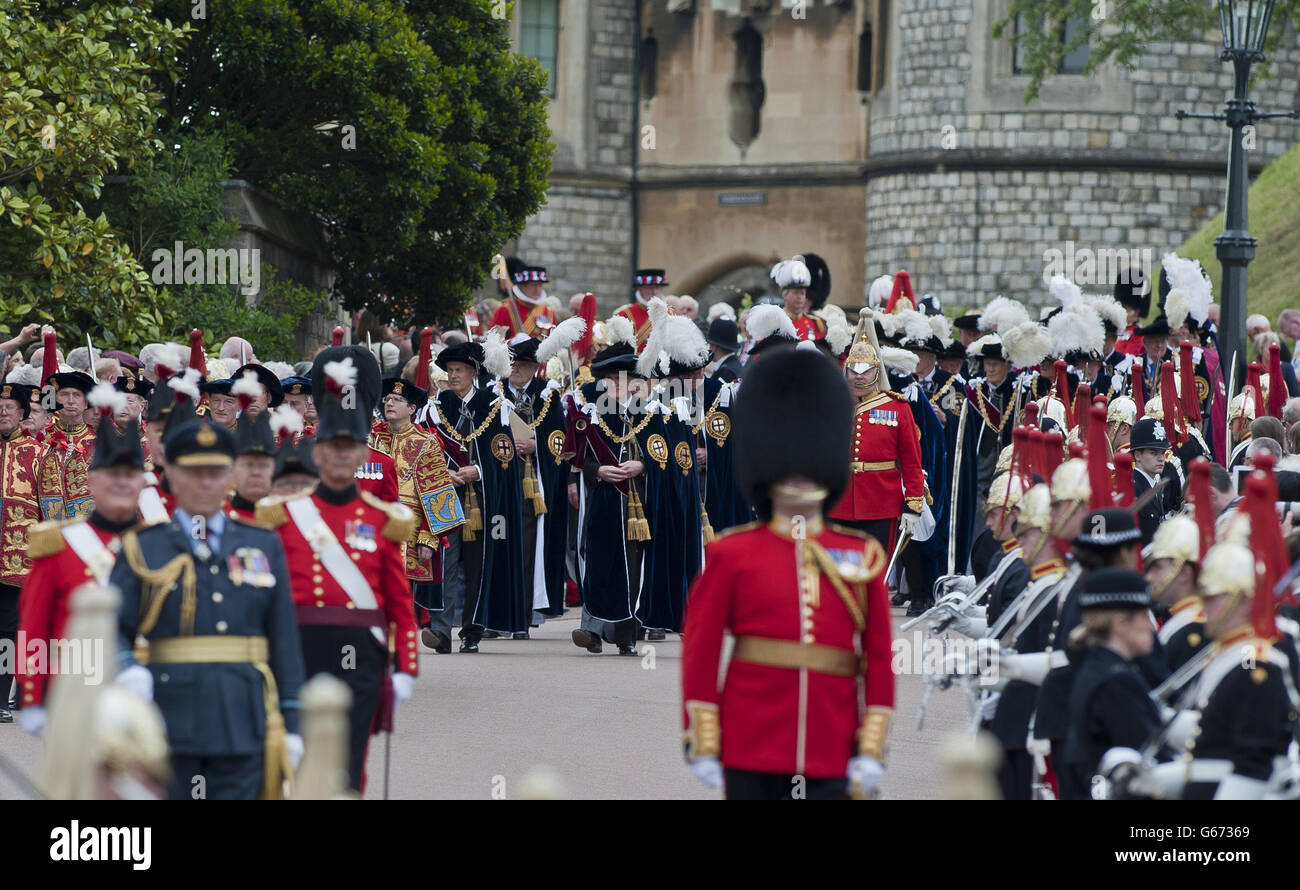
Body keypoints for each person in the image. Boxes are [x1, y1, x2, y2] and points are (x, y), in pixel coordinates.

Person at [681, 347, 894, 800]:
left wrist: (871, 745)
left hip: (832, 747)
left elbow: (877, 660)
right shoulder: (732, 555)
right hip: (749, 748)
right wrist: (703, 738)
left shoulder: (863, 556)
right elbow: (702, 652)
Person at [111, 418, 305, 800]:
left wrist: (293, 722)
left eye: (215, 472)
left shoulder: (262, 545)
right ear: (172, 475)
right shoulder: (143, 547)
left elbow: (283, 639)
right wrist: (127, 671)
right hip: (165, 716)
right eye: (193, 472)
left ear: (229, 476)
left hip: (244, 715)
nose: (204, 482)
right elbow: (112, 629)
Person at [258, 351, 418, 793]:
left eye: (351, 449)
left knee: (351, 760)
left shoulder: (383, 518)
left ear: (363, 452)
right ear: (318, 452)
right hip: (296, 647)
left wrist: (405, 665)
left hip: (361, 651)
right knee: (294, 752)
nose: (342, 457)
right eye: (333, 449)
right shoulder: (281, 515)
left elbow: (398, 600)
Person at [17, 385, 149, 734]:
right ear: (90, 482)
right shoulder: (60, 544)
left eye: (129, 476)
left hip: (148, 690)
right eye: (111, 476)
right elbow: (35, 628)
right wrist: (34, 697)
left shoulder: (161, 543)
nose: (121, 484)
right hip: (77, 684)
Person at [430, 336, 529, 650]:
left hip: (482, 499)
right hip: (446, 495)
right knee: (445, 561)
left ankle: (471, 632)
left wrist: (478, 471)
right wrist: (441, 471)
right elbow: (425, 451)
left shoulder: (495, 407)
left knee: (477, 565)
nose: (454, 375)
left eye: (460, 369)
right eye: (450, 370)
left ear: (474, 373)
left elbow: (505, 455)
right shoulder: (436, 407)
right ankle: (440, 631)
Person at [565, 323, 647, 656]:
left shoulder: (652, 409)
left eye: (623, 378)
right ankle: (591, 629)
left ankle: (626, 634)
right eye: (611, 379)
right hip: (602, 493)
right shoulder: (590, 410)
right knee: (597, 557)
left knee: (630, 566)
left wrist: (642, 466)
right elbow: (574, 456)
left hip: (638, 500)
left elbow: (662, 453)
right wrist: (597, 470)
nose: (617, 385)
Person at [370, 376, 462, 650]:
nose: (390, 403)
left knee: (401, 591)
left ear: (412, 409)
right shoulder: (372, 437)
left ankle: (399, 647)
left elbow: (439, 494)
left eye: (397, 400)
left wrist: (428, 538)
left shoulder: (426, 442)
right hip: (375, 524)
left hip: (411, 529)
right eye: (387, 399)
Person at [1062, 568, 1163, 800]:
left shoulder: (1097, 667)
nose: (1150, 626)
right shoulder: (1117, 682)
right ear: (1120, 624)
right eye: (1143, 617)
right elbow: (1144, 757)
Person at [827, 324, 925, 554]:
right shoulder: (832, 405)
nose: (859, 377)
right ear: (846, 371)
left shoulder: (897, 407)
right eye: (854, 370)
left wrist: (913, 503)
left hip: (881, 504)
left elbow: (911, 461)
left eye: (866, 370)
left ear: (876, 372)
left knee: (876, 569)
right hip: (838, 503)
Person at [0, 382, 46, 722]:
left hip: (17, 557)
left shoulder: (39, 453)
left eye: (9, 407)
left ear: (21, 415)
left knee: (8, 629)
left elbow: (50, 509)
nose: (3, 412)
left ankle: (2, 697)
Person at [228, 410, 278, 521]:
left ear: (275, 471)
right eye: (248, 465)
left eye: (264, 466)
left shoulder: (290, 517)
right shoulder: (216, 516)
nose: (256, 472)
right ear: (232, 470)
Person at [489, 257, 557, 338]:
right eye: (533, 285)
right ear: (522, 286)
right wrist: (512, 342)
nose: (537, 289)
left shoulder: (548, 312)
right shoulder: (504, 310)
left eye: (540, 285)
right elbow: (492, 340)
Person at [1130, 417, 1170, 545]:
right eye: (1154, 453)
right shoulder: (1133, 488)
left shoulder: (1153, 485)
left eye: (1163, 453)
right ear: (1137, 455)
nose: (1161, 458)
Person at [771, 256, 825, 342]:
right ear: (785, 295)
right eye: (796, 292)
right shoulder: (775, 322)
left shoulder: (814, 323)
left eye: (802, 293)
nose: (799, 297)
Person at [616, 269, 669, 352]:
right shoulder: (624, 315)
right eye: (650, 288)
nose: (654, 292)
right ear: (639, 288)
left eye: (657, 287)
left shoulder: (670, 315)